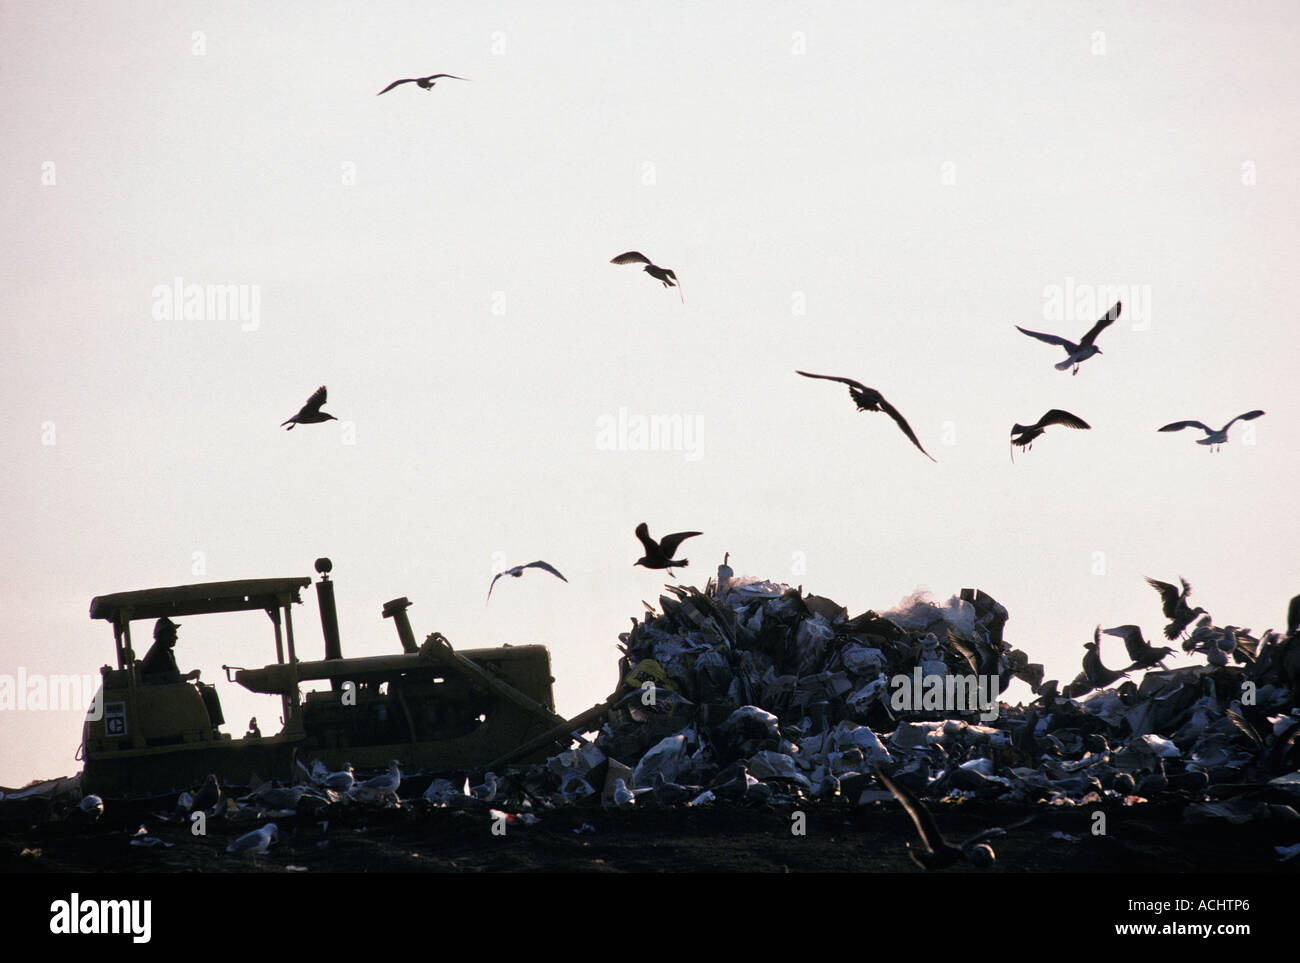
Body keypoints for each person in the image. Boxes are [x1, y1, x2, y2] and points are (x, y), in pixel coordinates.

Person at [139, 617, 201, 684]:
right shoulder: (161, 654)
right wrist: (187, 676)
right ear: (164, 635)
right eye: (173, 633)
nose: (176, 637)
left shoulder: (162, 651)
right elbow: (170, 679)